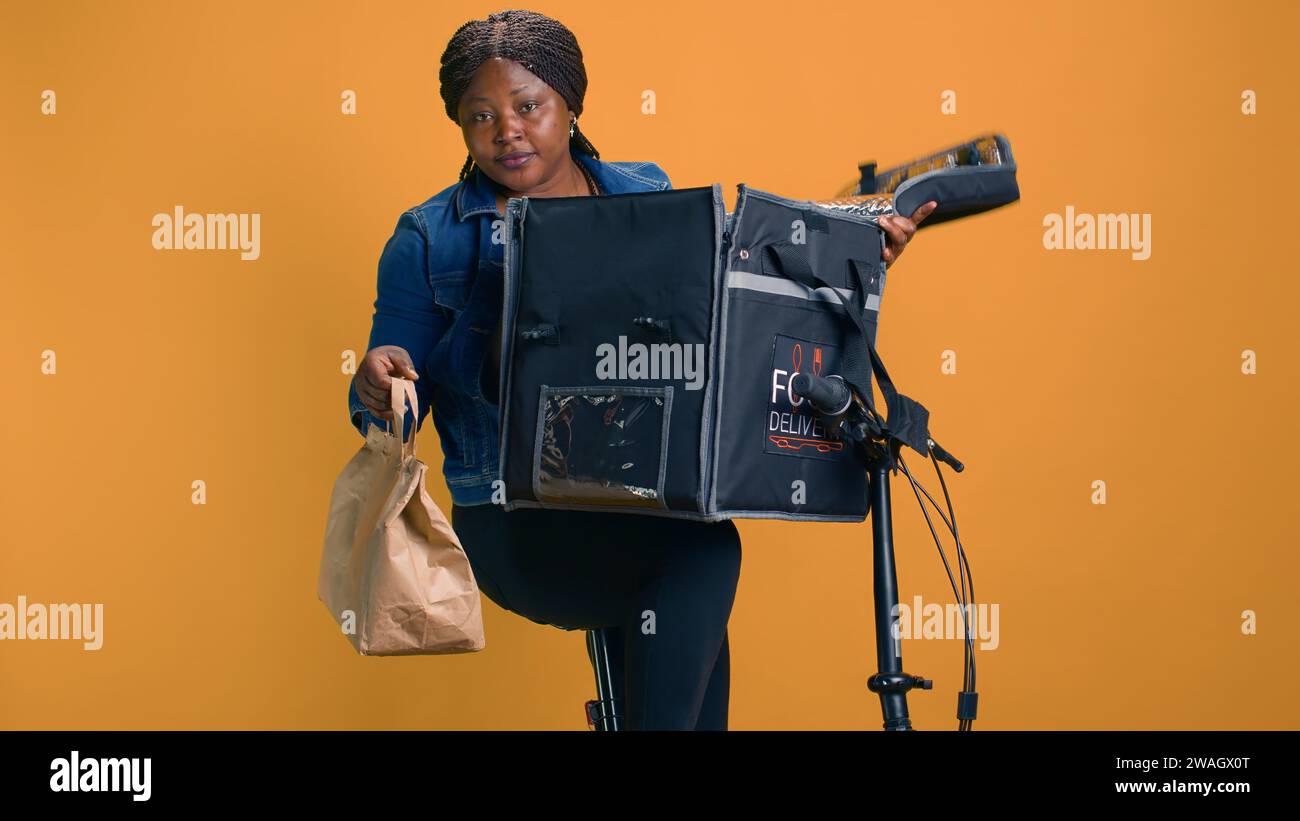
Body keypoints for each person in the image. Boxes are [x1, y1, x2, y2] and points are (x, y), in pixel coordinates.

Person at [347, 9, 932, 730]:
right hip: (513, 516)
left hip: (641, 493)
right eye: (481, 116)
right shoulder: (429, 238)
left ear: (569, 104)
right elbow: (385, 393)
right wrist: (382, 377)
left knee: (688, 588)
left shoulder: (645, 200)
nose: (508, 131)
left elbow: (735, 302)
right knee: (701, 554)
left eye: (529, 106)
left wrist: (856, 257)